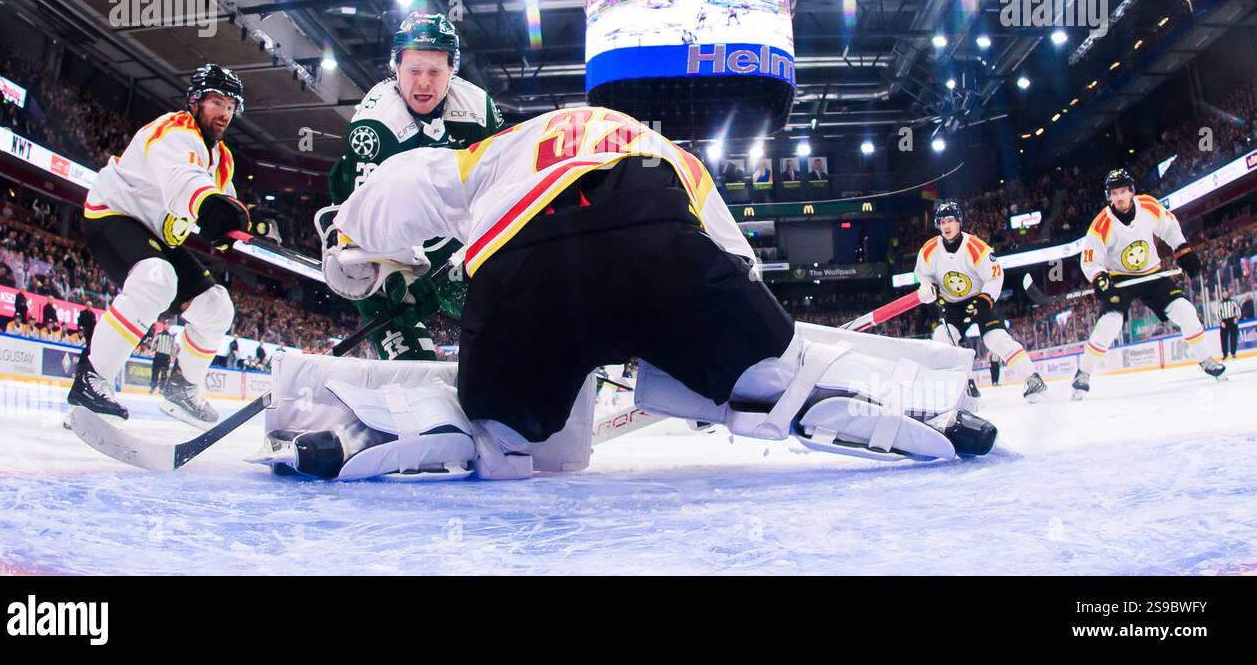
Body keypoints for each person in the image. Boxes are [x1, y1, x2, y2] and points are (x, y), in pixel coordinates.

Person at [257, 107, 995, 481]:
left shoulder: (505, 146)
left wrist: (350, 244)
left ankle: (372, 426)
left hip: (523, 262)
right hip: (658, 235)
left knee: (509, 438)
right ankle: (872, 399)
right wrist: (731, 357)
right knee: (770, 374)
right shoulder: (669, 150)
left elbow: (408, 182)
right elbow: (733, 260)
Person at [66, 63, 249, 426]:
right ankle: (91, 381)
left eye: (230, 106)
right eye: (217, 102)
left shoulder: (222, 159)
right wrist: (209, 207)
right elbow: (184, 179)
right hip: (114, 214)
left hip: (158, 236)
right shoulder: (175, 131)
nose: (224, 113)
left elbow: (224, 206)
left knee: (217, 309)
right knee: (155, 278)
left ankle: (182, 389)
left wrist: (243, 225)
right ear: (195, 101)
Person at [325, 13, 502, 361]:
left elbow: (497, 192)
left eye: (434, 71)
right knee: (413, 367)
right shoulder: (375, 127)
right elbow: (361, 227)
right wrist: (397, 276)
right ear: (396, 68)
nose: (423, 82)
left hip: (448, 251)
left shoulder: (480, 111)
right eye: (413, 70)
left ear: (452, 69)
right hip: (374, 260)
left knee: (507, 325)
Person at [1071, 169, 1224, 399]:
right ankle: (1083, 373)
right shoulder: (1101, 224)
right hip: (1120, 278)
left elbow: (1169, 227)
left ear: (1131, 191)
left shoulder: (1148, 206)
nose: (1120, 197)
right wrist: (1100, 277)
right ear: (1109, 196)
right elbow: (1090, 260)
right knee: (1109, 324)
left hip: (1152, 274)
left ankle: (1206, 359)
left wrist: (1183, 250)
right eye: (1115, 193)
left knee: (1185, 310)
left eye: (1123, 191)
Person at [914, 200, 1049, 402]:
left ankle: (1033, 379)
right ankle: (966, 386)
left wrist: (985, 299)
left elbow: (995, 276)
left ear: (959, 222)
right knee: (942, 339)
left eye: (950, 220)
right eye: (942, 222)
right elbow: (922, 274)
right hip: (952, 305)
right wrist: (927, 286)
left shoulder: (976, 248)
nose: (946, 226)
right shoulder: (929, 249)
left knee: (996, 339)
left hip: (979, 301)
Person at [149, 321, 176, 392]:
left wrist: (173, 355)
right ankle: (152, 387)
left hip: (166, 356)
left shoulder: (171, 337)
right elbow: (154, 343)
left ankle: (161, 388)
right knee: (155, 372)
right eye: (166, 324)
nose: (167, 326)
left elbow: (173, 347)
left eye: (169, 325)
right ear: (164, 325)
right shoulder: (159, 335)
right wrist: (152, 350)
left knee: (164, 373)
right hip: (158, 355)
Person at [1216, 288, 1241, 362]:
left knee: (1233, 337)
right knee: (1223, 339)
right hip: (1224, 322)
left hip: (1232, 320)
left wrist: (1236, 318)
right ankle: (1225, 355)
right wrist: (1221, 322)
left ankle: (1233, 353)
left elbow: (1238, 309)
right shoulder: (1220, 303)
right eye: (1223, 293)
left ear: (1228, 294)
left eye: (1226, 293)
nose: (1225, 295)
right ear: (1222, 295)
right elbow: (1218, 313)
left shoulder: (1233, 301)